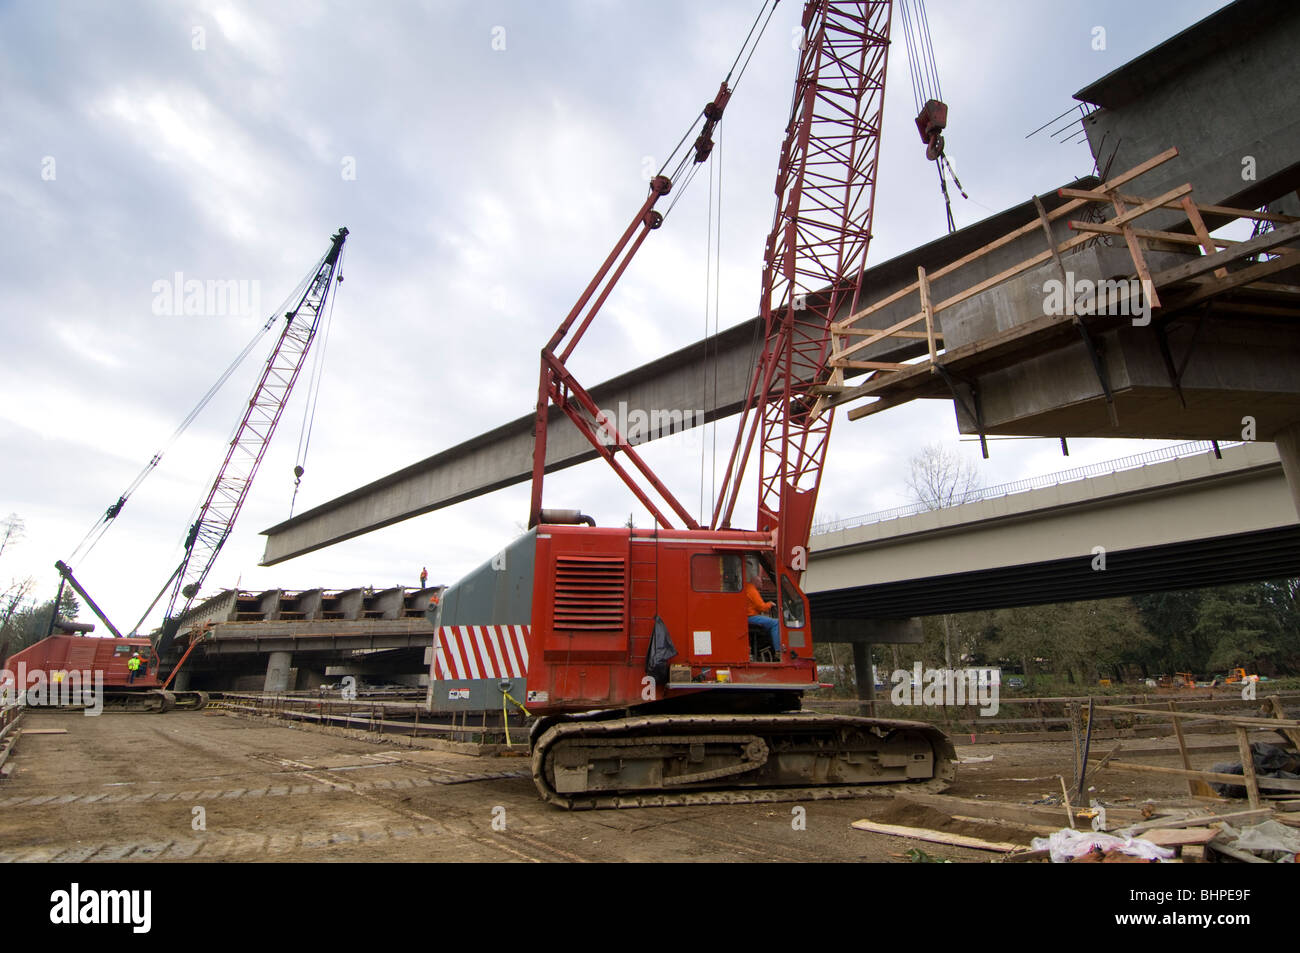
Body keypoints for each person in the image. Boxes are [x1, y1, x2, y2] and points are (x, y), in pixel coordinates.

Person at [743, 558, 780, 660]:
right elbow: (762, 607)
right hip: (750, 617)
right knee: (775, 623)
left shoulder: (746, 588)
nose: (762, 584)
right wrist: (770, 604)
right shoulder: (752, 590)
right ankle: (778, 651)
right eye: (760, 581)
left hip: (748, 616)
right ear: (755, 581)